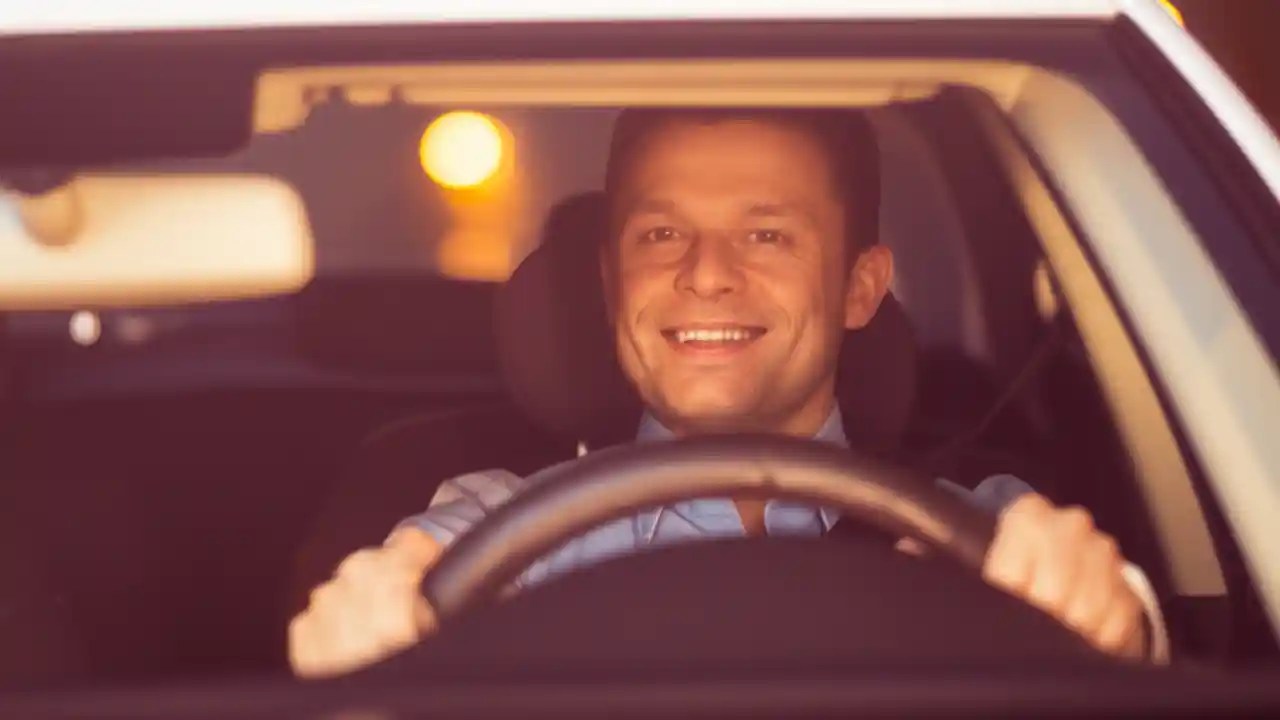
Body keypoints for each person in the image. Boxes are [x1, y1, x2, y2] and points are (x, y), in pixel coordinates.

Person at [288, 108, 1166, 679]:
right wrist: (367, 635)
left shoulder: (985, 536)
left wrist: (1120, 628)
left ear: (861, 288)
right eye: (662, 234)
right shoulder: (496, 533)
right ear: (611, 286)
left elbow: (1098, 607)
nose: (706, 274)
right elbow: (403, 595)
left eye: (767, 235)